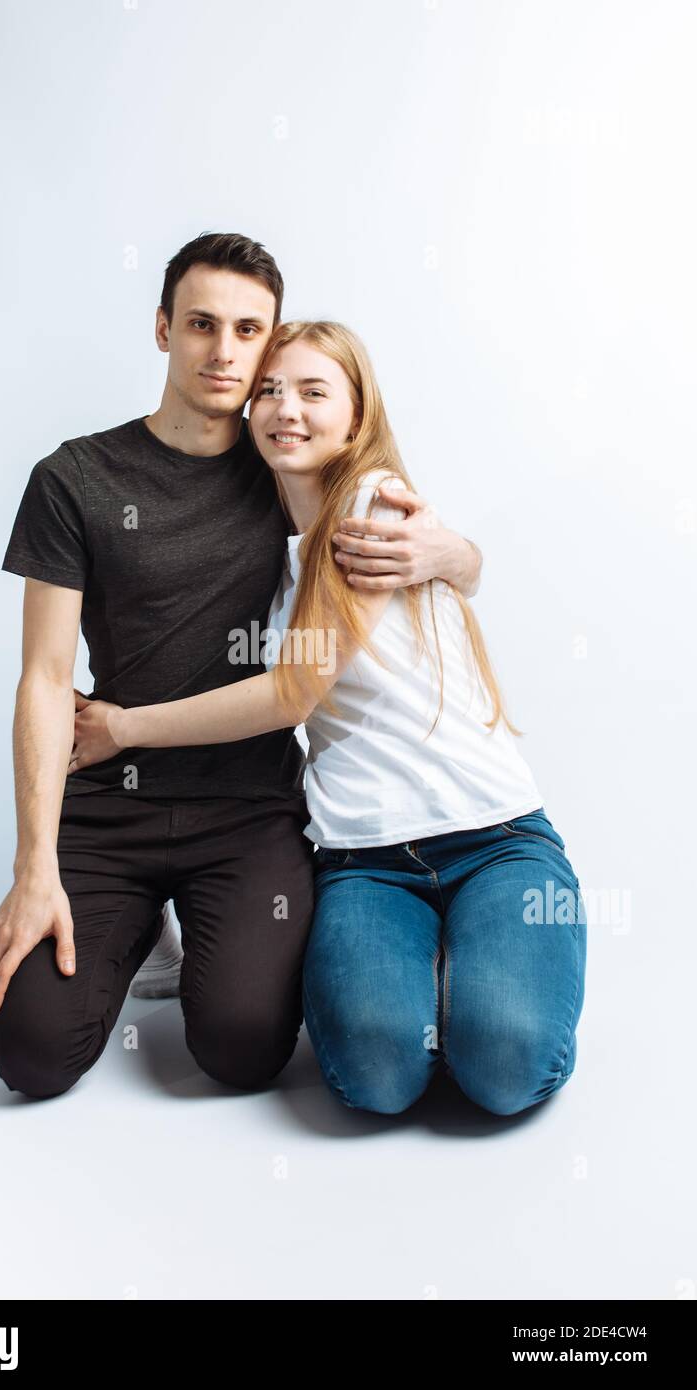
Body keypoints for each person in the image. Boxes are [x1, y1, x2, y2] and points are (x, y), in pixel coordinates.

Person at [0, 233, 483, 1099]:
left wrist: (455, 553)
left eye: (250, 331)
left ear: (270, 341)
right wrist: (35, 868)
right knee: (33, 1057)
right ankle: (141, 926)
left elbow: (399, 534)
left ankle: (206, 928)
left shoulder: (290, 464)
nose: (225, 352)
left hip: (249, 806)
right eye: (203, 325)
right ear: (162, 329)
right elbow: (42, 678)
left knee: (243, 1050)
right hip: (112, 803)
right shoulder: (75, 478)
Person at [68, 318, 587, 1118]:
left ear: (356, 416)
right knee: (376, 1077)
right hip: (362, 861)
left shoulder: (376, 510)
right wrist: (462, 558)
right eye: (270, 390)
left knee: (506, 1068)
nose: (286, 408)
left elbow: (291, 695)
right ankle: (438, 974)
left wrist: (123, 727)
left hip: (494, 839)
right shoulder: (272, 557)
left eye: (314, 391)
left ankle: (478, 972)